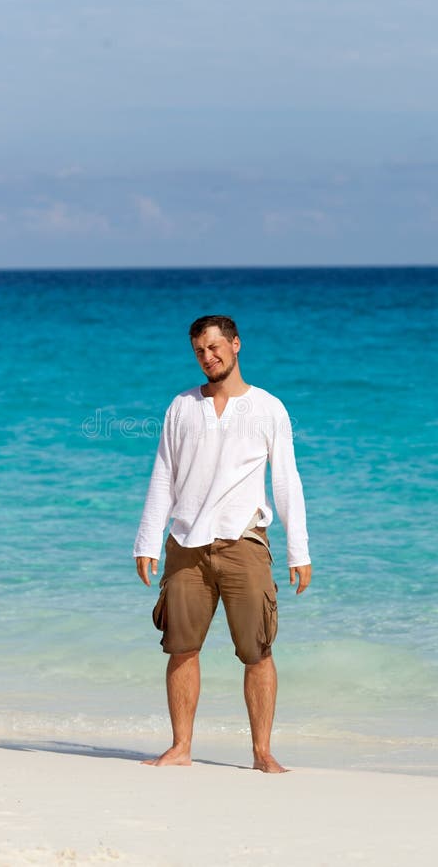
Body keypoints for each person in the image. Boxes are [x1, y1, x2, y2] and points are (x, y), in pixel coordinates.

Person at [133, 315, 312, 773]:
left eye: (215, 348)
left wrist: (299, 550)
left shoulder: (268, 408)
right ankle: (180, 748)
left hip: (244, 543)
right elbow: (163, 475)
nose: (208, 357)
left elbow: (286, 480)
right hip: (186, 545)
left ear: (235, 345)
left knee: (257, 650)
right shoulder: (182, 406)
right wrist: (147, 540)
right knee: (181, 647)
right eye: (199, 351)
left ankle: (262, 752)